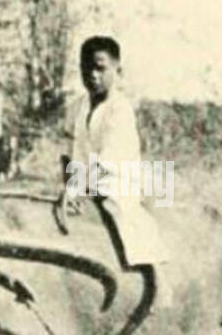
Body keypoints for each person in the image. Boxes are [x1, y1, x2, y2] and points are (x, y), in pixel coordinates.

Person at [58, 36, 169, 305]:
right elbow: (69, 150)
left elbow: (111, 160)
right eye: (86, 69)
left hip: (117, 179)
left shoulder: (120, 110)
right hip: (83, 179)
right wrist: (70, 187)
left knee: (128, 218)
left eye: (100, 68)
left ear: (117, 71)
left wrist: (81, 189)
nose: (92, 76)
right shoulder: (76, 107)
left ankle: (157, 280)